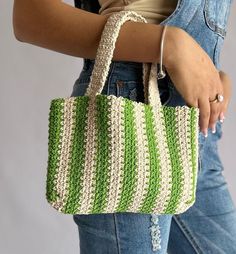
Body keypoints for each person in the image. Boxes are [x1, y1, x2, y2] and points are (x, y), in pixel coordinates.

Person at [13, 0, 236, 253]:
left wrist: (212, 74)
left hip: (195, 128)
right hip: (124, 125)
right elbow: (30, 16)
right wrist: (170, 46)